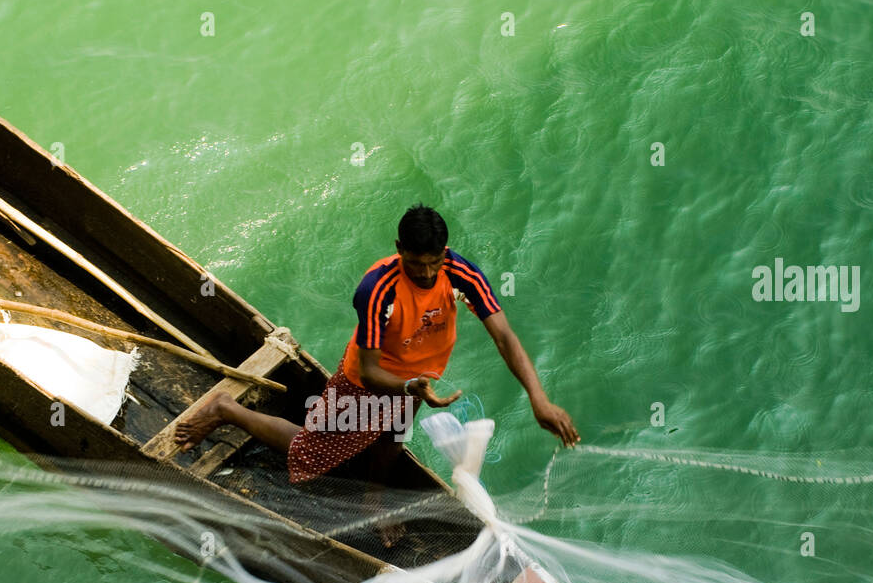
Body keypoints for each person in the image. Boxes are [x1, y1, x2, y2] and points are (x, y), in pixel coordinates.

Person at [175, 204, 579, 543]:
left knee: (393, 440)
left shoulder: (461, 273)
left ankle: (374, 499)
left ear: (446, 252)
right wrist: (408, 387)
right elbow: (368, 371)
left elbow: (505, 337)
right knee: (309, 453)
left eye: (433, 263)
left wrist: (538, 399)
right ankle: (227, 409)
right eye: (415, 263)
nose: (424, 273)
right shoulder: (377, 288)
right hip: (365, 384)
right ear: (399, 249)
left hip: (416, 382)